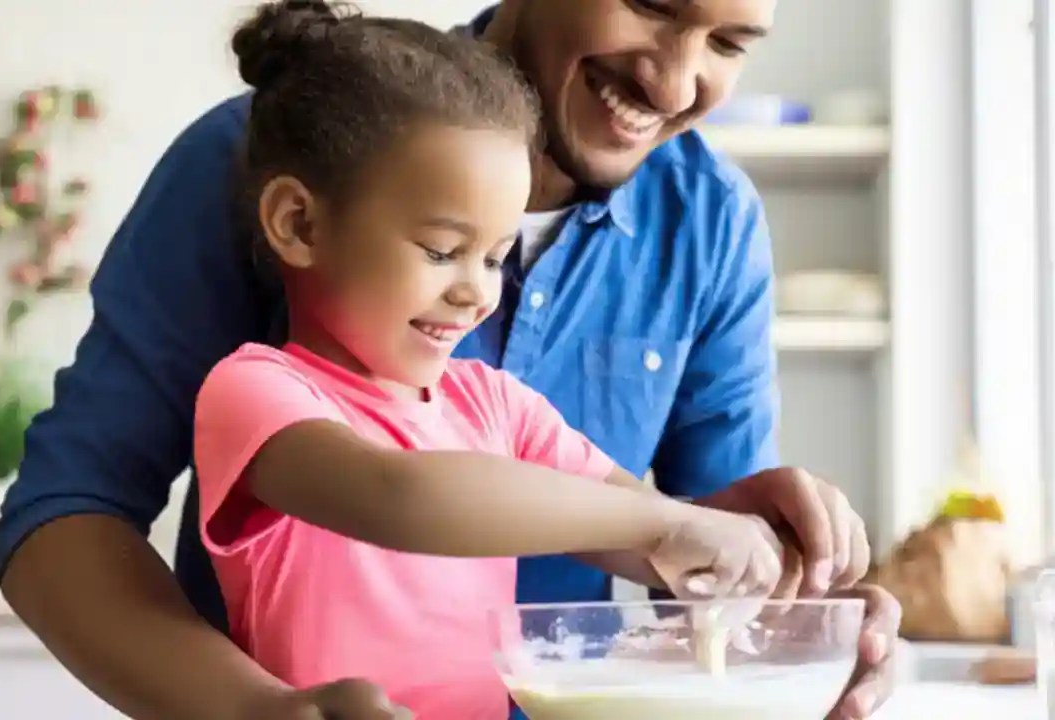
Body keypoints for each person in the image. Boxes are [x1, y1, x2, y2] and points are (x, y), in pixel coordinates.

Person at [0, 1, 900, 719]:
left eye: (731, 42)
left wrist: (791, 608)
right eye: (651, 3)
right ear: (297, 224)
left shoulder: (692, 238)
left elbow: (674, 557)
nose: (675, 80)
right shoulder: (263, 303)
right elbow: (398, 495)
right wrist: (258, 710)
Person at [194, 6, 785, 717]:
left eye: (497, 256)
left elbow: (639, 527)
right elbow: (400, 498)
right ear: (300, 224)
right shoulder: (255, 393)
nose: (478, 291)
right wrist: (661, 526)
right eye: (442, 251)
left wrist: (741, 552)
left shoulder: (493, 405)